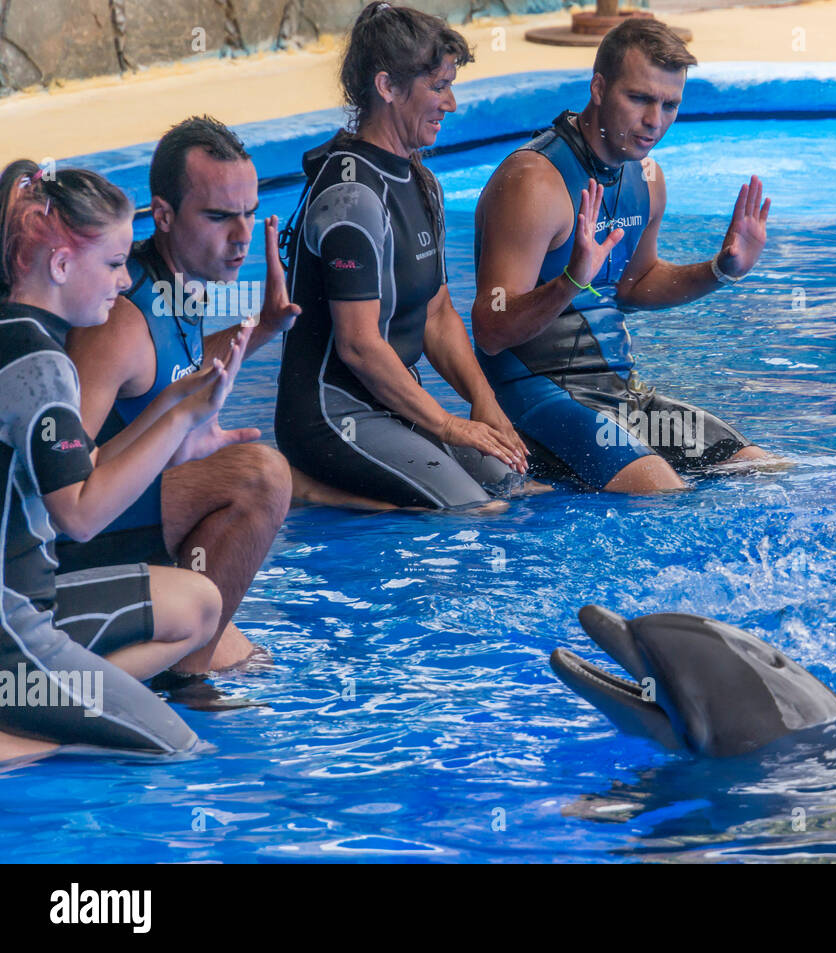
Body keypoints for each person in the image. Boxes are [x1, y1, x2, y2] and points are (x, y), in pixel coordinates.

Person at [0, 160, 245, 759]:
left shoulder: (20, 334)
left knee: (199, 605)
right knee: (179, 750)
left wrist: (170, 413)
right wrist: (180, 421)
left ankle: (54, 719)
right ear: (61, 265)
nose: (122, 280)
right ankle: (30, 729)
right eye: (112, 264)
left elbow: (83, 462)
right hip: (14, 635)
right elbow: (78, 517)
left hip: (33, 605)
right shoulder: (41, 365)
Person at [472, 19, 775, 494]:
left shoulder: (647, 177)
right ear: (598, 88)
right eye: (639, 98)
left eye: (670, 104)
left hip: (621, 394)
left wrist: (722, 270)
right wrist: (572, 280)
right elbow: (490, 331)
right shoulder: (535, 182)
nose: (656, 120)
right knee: (664, 492)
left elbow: (635, 284)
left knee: (761, 471)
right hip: (534, 395)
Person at [59, 117, 295, 674]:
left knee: (254, 664)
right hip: (76, 550)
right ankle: (185, 672)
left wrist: (261, 326)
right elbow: (61, 482)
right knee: (261, 475)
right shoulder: (118, 322)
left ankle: (189, 654)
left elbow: (173, 372)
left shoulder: (177, 282)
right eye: (218, 216)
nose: (240, 236)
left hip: (130, 521)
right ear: (163, 215)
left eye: (248, 213)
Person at [276, 2, 534, 511]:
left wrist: (483, 403)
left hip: (393, 406)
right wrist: (448, 424)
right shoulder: (350, 197)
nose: (452, 103)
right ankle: (305, 486)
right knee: (478, 510)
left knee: (516, 483)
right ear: (388, 87)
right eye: (438, 87)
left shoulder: (421, 181)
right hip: (332, 413)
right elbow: (358, 346)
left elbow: (437, 313)